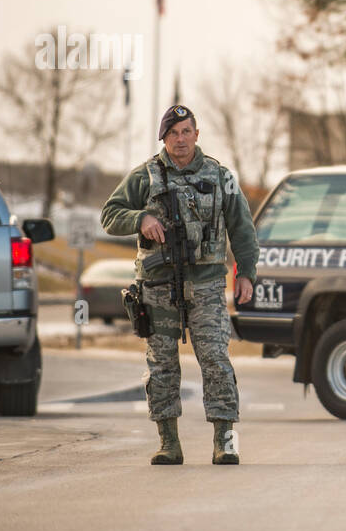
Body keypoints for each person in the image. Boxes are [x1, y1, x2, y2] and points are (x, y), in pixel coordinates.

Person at [100, 104, 258, 465]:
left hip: (206, 287)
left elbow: (242, 227)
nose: (180, 139)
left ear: (197, 135)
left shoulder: (220, 175)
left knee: (217, 360)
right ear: (164, 138)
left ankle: (225, 441)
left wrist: (245, 272)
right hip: (158, 287)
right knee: (162, 365)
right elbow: (109, 214)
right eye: (173, 134)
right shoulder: (145, 176)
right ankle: (168, 443)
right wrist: (140, 219)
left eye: (186, 132)